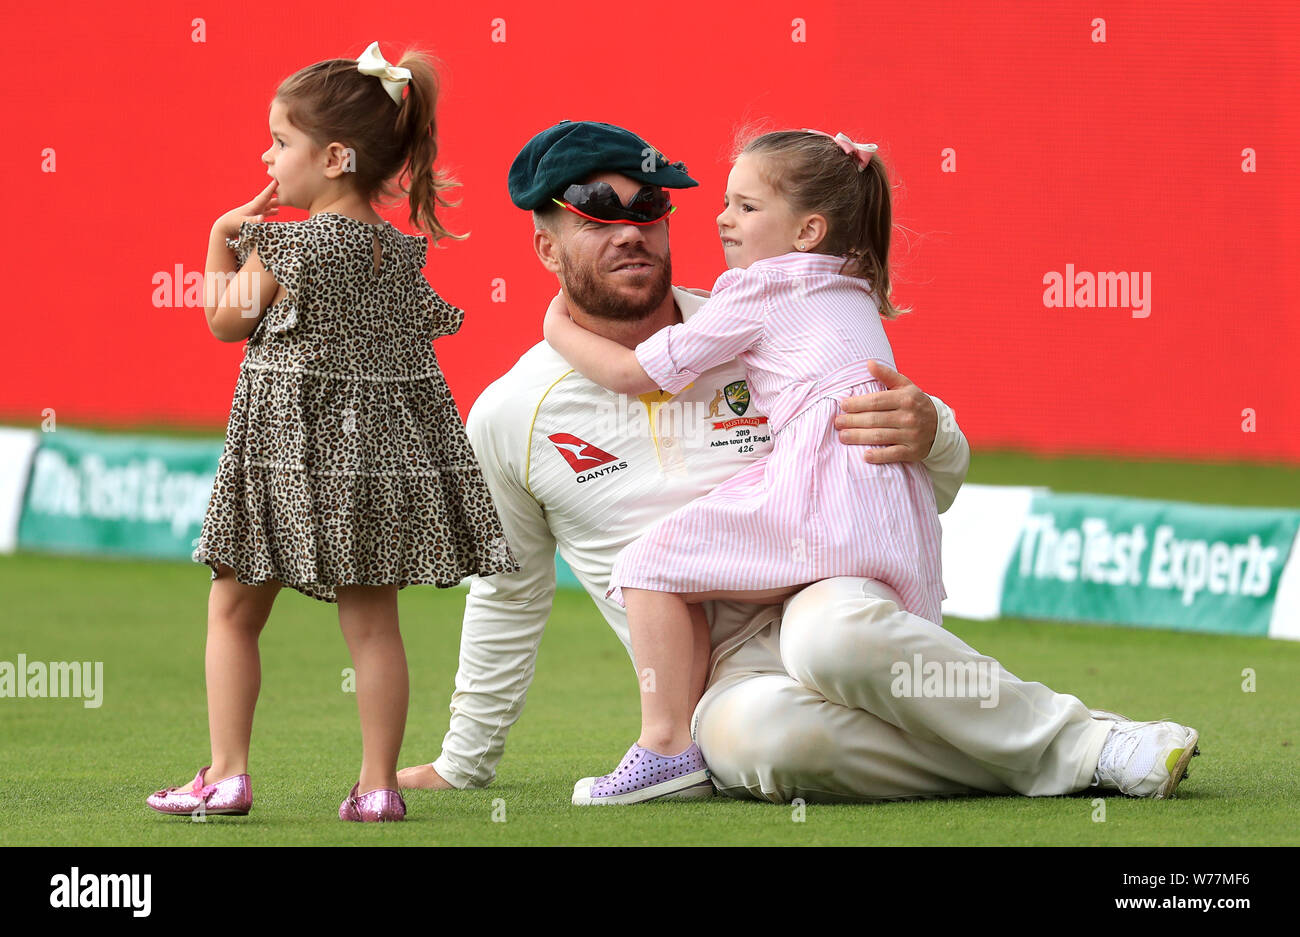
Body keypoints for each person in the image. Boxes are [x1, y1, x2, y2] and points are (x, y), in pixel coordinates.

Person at [398, 120, 1199, 806]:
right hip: (721, 683)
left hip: (830, 588)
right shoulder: (511, 413)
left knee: (832, 638)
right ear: (544, 243)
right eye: (598, 211)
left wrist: (933, 431)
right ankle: (1084, 755)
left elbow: (924, 474)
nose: (631, 230)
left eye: (651, 206)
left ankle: (1085, 744)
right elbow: (508, 593)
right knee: (761, 744)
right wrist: (464, 762)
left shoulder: (756, 318)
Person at [146, 41, 519, 823]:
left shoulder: (297, 244)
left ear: (337, 156)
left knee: (232, 611)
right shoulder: (395, 252)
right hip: (374, 470)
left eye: (282, 142)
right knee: (374, 623)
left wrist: (221, 233)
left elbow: (222, 321)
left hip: (286, 457)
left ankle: (226, 773)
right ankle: (379, 785)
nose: (268, 155)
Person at [542, 129, 945, 803]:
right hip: (890, 513)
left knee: (649, 563)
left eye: (747, 207)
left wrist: (558, 325)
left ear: (809, 229)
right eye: (725, 203)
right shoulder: (850, 287)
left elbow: (635, 374)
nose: (723, 218)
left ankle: (666, 747)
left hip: (819, 502)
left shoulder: (757, 290)